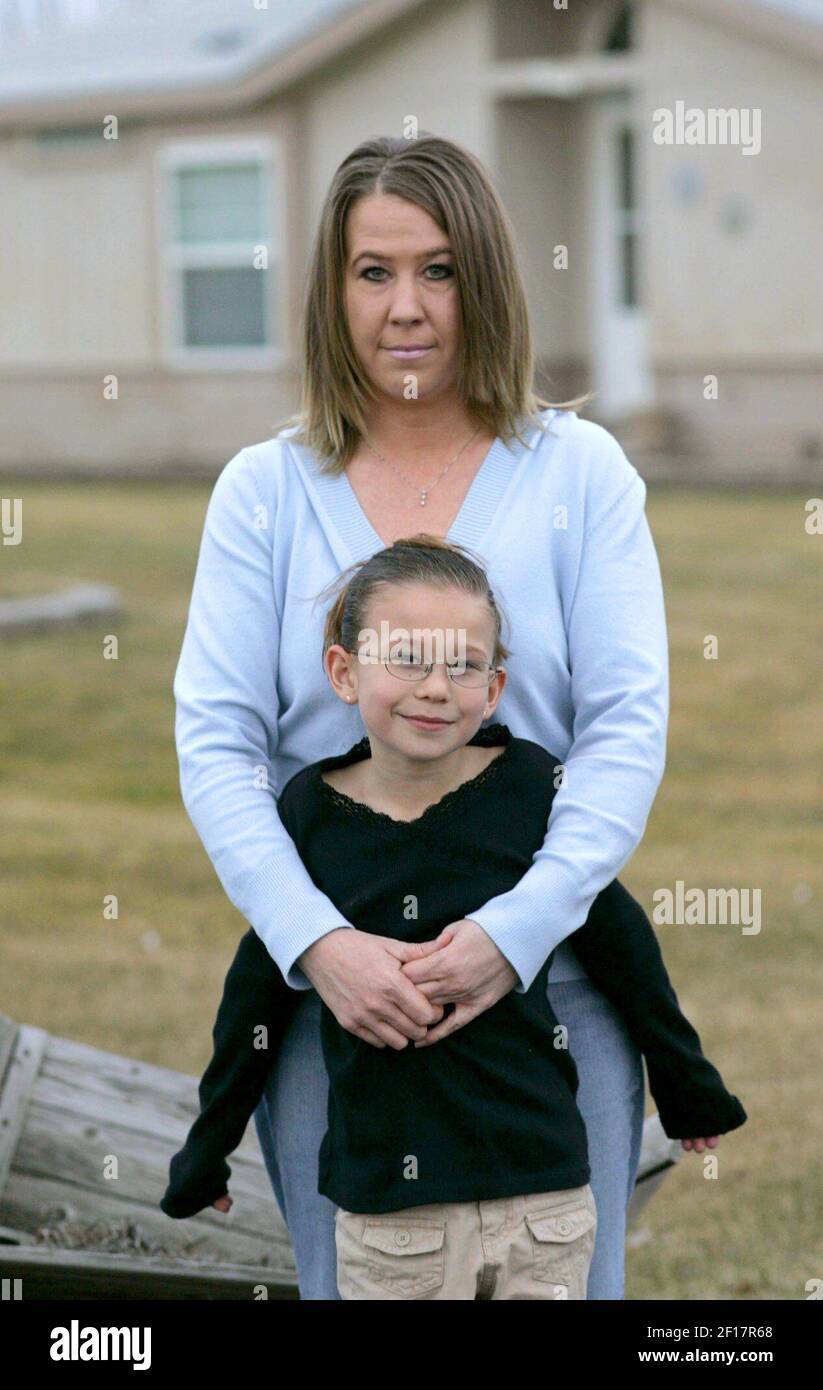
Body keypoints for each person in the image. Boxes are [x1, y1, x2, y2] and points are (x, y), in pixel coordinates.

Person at [173, 133, 676, 1298]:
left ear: (487, 281)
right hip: (338, 1006)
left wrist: (516, 931)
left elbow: (623, 726)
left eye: (439, 270)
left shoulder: (579, 474)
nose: (406, 307)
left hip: (553, 986)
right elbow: (218, 743)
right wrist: (317, 945)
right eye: (373, 271)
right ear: (331, 289)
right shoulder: (265, 491)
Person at [165, 538, 746, 1300]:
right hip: (388, 1220)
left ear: (496, 685)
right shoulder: (311, 817)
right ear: (344, 672)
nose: (437, 688)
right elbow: (255, 998)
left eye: (463, 665)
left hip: (540, 1202)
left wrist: (686, 1085)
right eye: (407, 658)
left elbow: (619, 942)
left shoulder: (529, 789)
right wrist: (209, 1147)